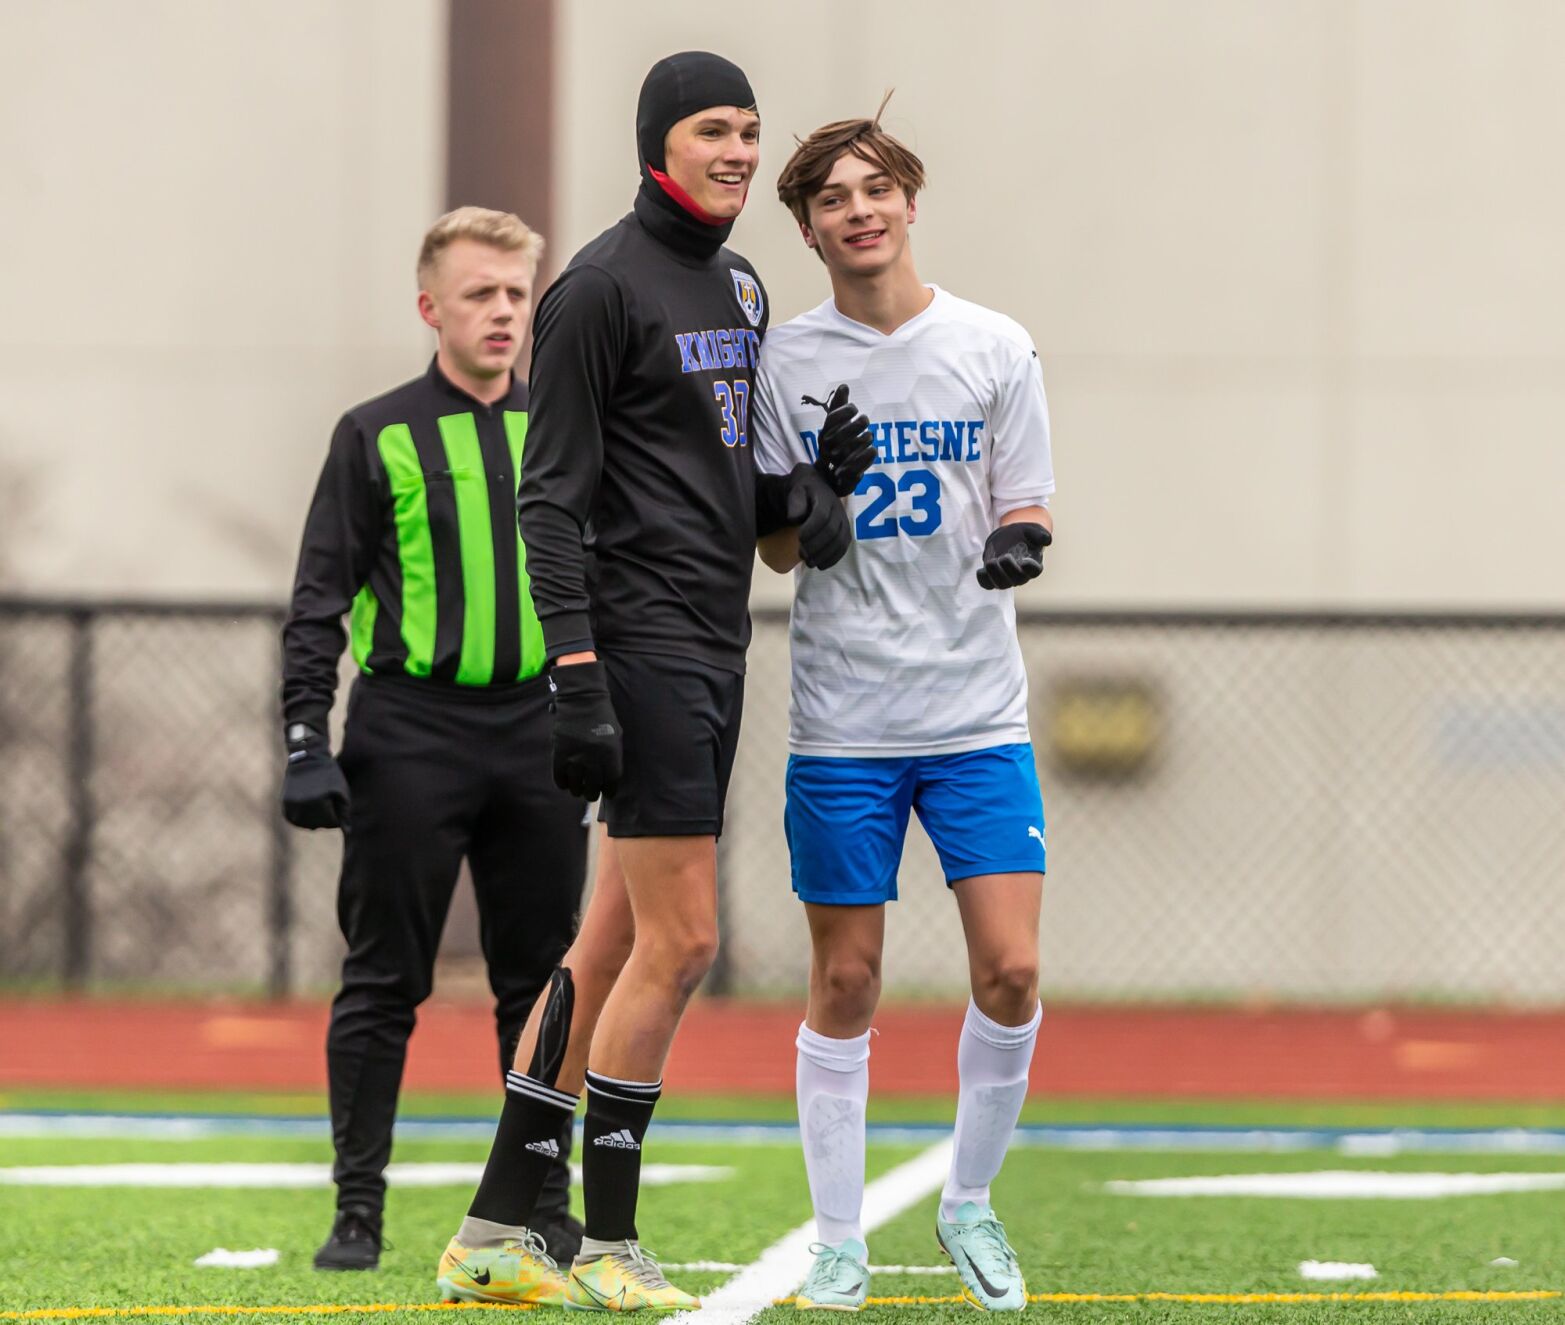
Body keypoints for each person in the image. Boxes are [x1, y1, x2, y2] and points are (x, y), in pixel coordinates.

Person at [432, 51, 867, 1314]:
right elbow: (549, 498)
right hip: (638, 651)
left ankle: (492, 1232)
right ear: (654, 145)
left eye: (747, 129)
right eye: (711, 130)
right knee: (682, 941)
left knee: (605, 939)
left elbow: (722, 491)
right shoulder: (595, 291)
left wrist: (804, 493)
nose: (736, 149)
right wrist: (576, 672)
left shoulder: (737, 283)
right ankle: (607, 1238)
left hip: (711, 639)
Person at [751, 99, 1056, 1313]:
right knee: (846, 981)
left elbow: (1027, 503)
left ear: (909, 203)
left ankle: (968, 1199)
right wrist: (808, 499)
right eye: (831, 198)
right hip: (845, 715)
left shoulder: (993, 344)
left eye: (875, 188)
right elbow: (777, 549)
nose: (858, 210)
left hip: (978, 710)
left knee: (1013, 969)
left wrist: (1018, 551)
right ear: (809, 229)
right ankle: (837, 1238)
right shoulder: (786, 360)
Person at [280, 207, 589, 1272]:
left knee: (543, 980)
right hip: (410, 730)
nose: (502, 312)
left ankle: (545, 1198)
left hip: (537, 728)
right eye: (479, 295)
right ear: (431, 309)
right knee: (383, 977)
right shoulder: (375, 433)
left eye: (516, 294)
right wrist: (302, 737)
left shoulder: (562, 422)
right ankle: (356, 1207)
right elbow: (317, 597)